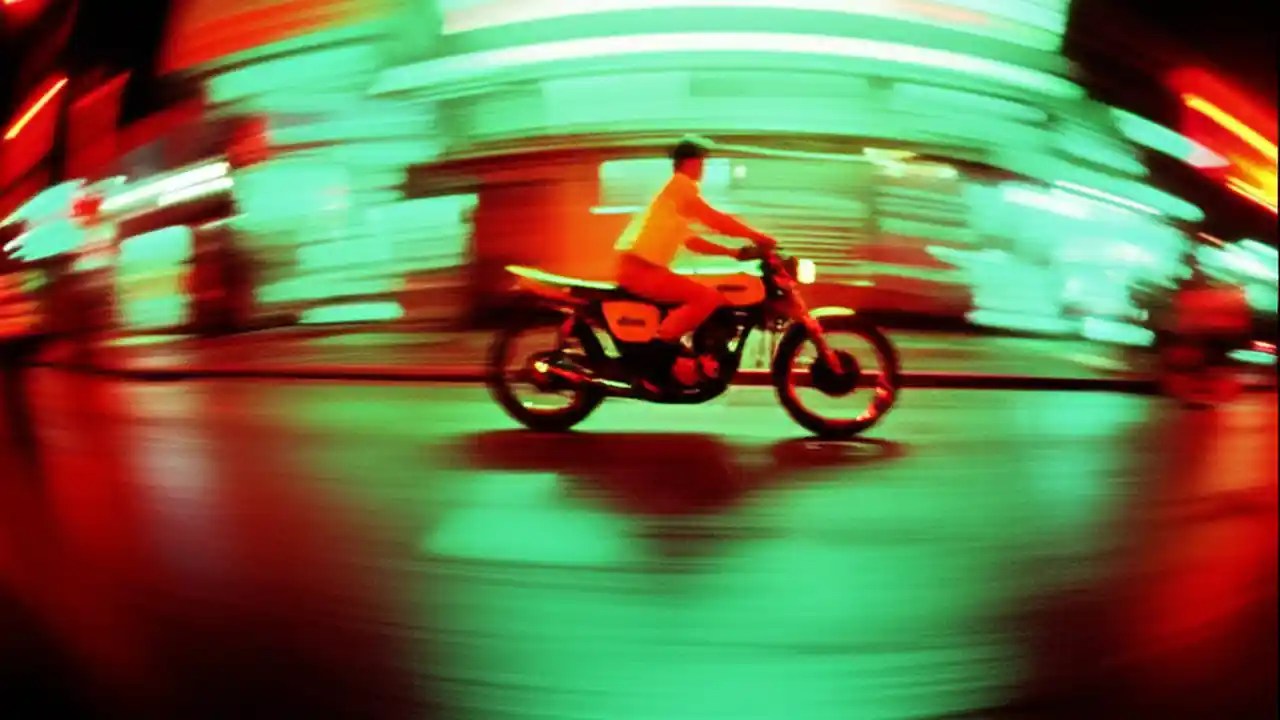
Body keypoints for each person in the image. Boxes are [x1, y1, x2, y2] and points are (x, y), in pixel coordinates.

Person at [614, 138, 776, 386]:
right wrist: (758, 236)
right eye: (701, 162)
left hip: (640, 267)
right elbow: (714, 219)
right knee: (708, 297)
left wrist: (733, 254)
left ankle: (681, 353)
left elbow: (692, 241)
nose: (703, 168)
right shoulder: (681, 187)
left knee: (702, 293)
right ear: (689, 162)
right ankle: (658, 355)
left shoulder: (674, 196)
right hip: (641, 269)